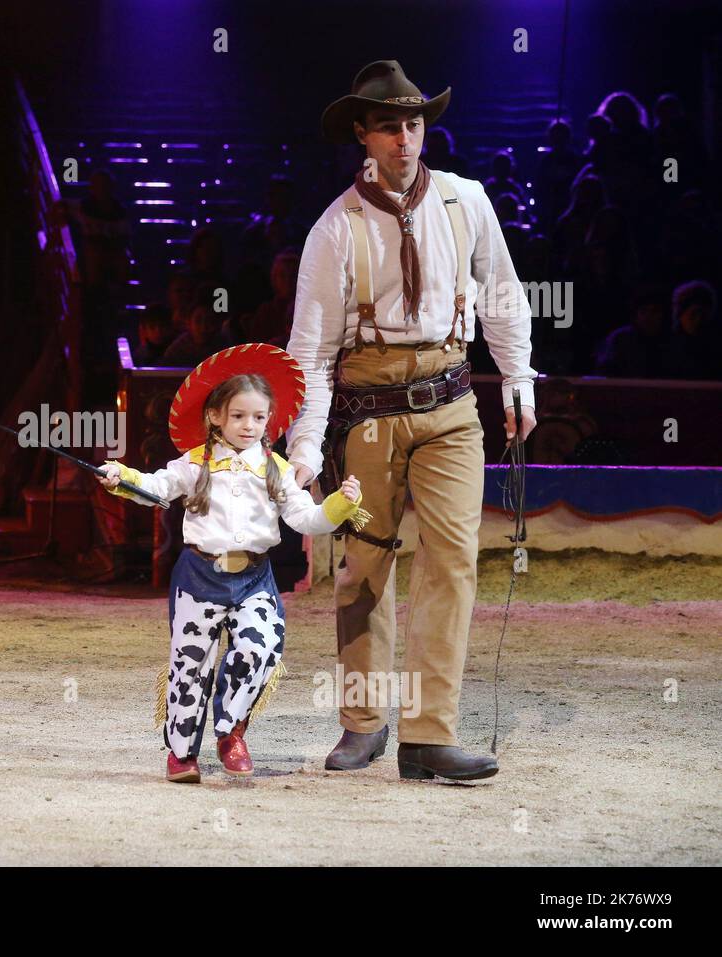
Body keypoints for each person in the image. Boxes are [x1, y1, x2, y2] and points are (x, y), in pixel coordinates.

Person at [289, 60, 537, 781]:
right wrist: (306, 445)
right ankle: (364, 721)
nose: (405, 137)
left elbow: (502, 294)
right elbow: (309, 352)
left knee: (453, 559)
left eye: (414, 122)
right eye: (390, 126)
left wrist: (517, 378)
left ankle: (429, 732)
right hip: (369, 410)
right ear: (362, 135)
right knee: (363, 563)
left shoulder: (465, 201)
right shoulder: (335, 229)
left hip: (452, 405)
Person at [96, 344, 366, 783]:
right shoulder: (196, 463)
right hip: (199, 577)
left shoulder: (276, 468)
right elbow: (157, 486)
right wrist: (122, 478)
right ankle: (181, 752)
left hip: (254, 579)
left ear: (269, 421)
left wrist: (338, 505)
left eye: (258, 418)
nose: (249, 425)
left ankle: (230, 729)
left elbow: (305, 517)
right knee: (191, 665)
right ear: (216, 417)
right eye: (239, 416)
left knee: (261, 646)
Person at [162, 301, 233, 366]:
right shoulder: (177, 349)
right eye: (198, 321)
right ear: (188, 323)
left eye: (209, 320)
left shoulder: (225, 348)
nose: (203, 327)